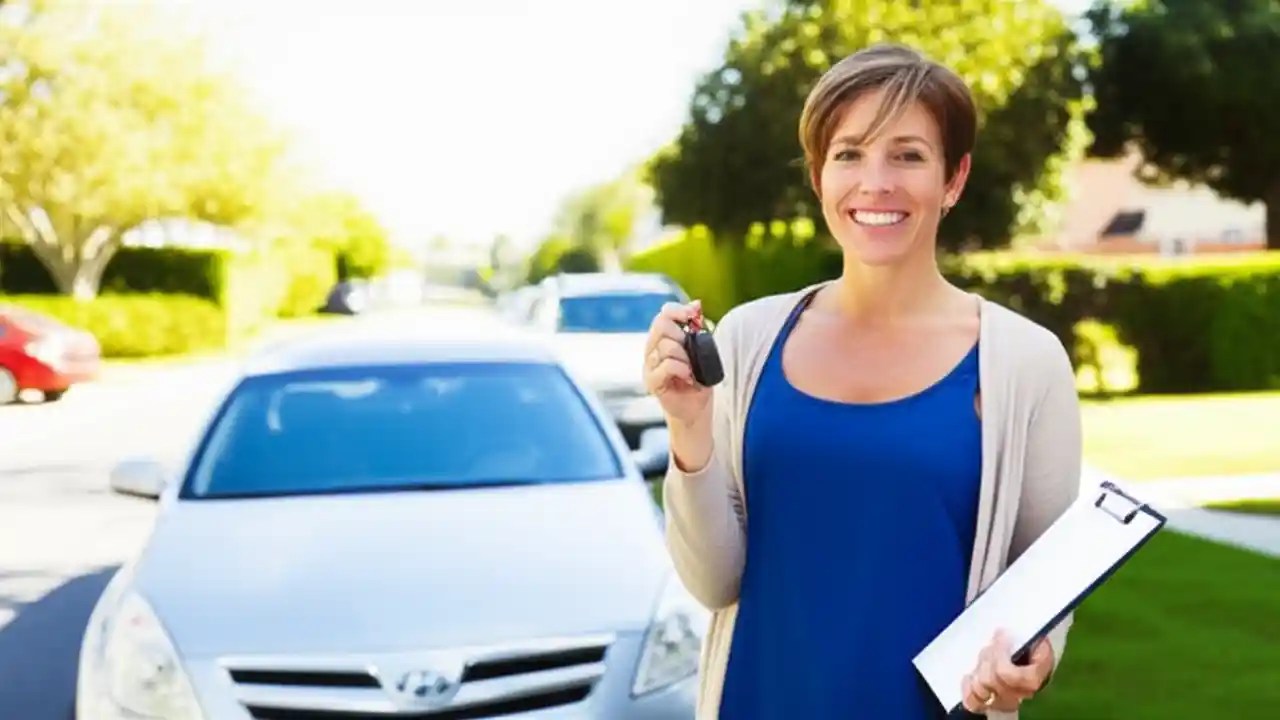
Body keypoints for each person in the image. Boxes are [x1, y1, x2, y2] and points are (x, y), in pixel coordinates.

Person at [642, 43, 1081, 719]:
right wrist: (688, 425)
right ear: (820, 176)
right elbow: (714, 580)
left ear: (954, 178)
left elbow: (1043, 588)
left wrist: (1036, 652)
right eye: (849, 154)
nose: (875, 182)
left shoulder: (1026, 363)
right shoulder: (748, 339)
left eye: (907, 155)